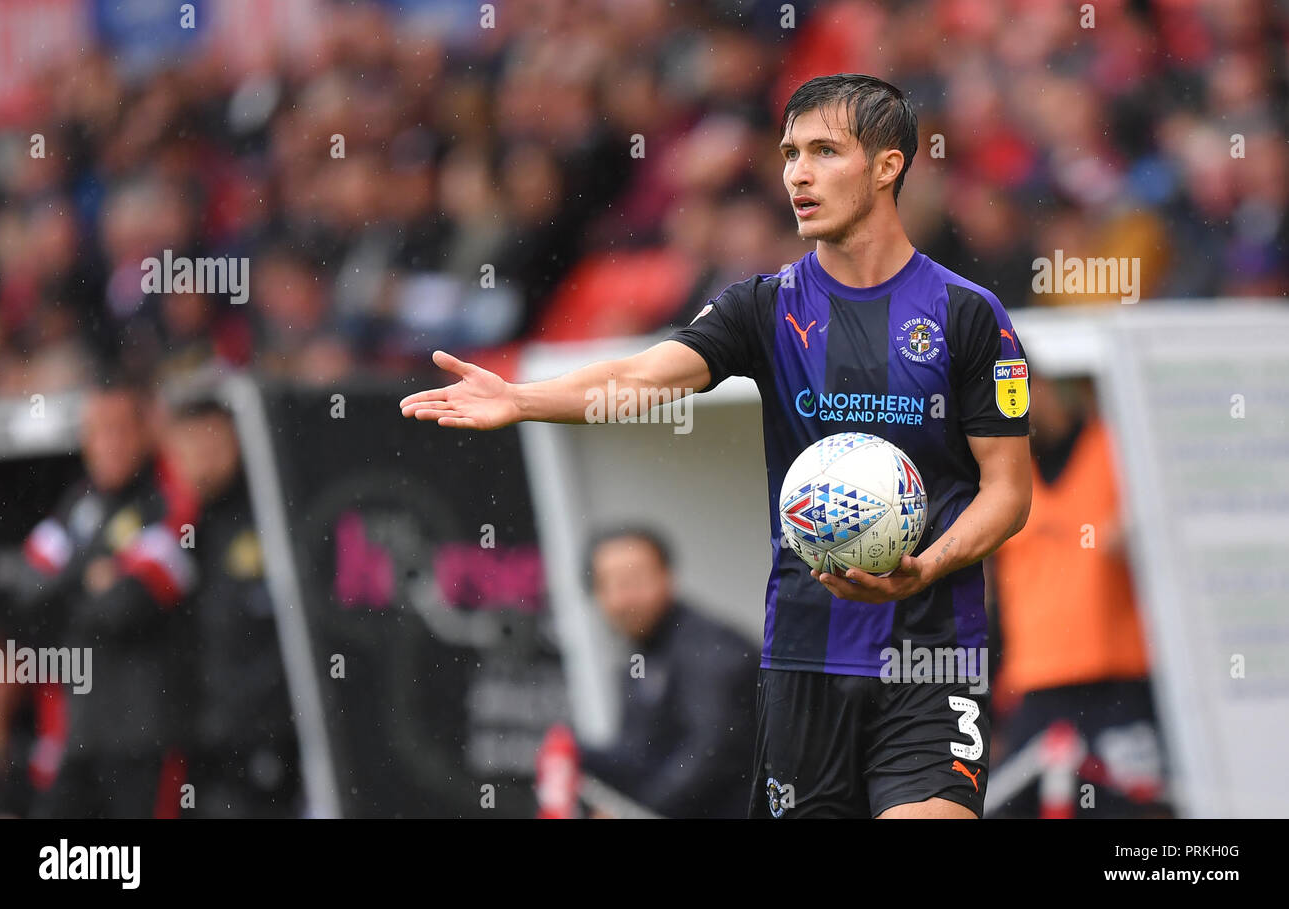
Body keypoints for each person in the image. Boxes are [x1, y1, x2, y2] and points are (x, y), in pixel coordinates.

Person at [401, 74, 1033, 819]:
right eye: (790, 152)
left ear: (888, 165)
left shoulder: (968, 316)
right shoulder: (764, 307)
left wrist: (928, 563)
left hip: (933, 657)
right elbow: (642, 376)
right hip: (805, 657)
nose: (797, 173)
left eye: (825, 151)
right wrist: (521, 399)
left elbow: (1008, 491)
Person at [0, 378, 198, 817]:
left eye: (120, 429)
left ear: (144, 432)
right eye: (98, 430)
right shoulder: (78, 505)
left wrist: (70, 583)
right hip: (78, 737)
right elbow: (22, 597)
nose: (109, 444)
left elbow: (123, 607)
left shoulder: (168, 501)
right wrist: (94, 573)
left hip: (144, 738)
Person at [989, 373, 1168, 817]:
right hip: (1036, 689)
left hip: (1119, 685)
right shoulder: (1004, 479)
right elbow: (991, 599)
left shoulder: (1119, 451)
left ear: (1044, 387)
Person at [161, 399, 303, 818]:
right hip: (198, 733)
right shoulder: (174, 524)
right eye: (189, 445)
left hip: (268, 730)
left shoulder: (273, 513)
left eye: (212, 442)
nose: (202, 458)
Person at [576, 527, 756, 819]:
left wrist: (637, 811)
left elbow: (714, 754)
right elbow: (637, 758)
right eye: (610, 584)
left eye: (634, 580)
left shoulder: (710, 649)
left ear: (667, 577)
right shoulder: (642, 654)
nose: (624, 599)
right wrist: (573, 754)